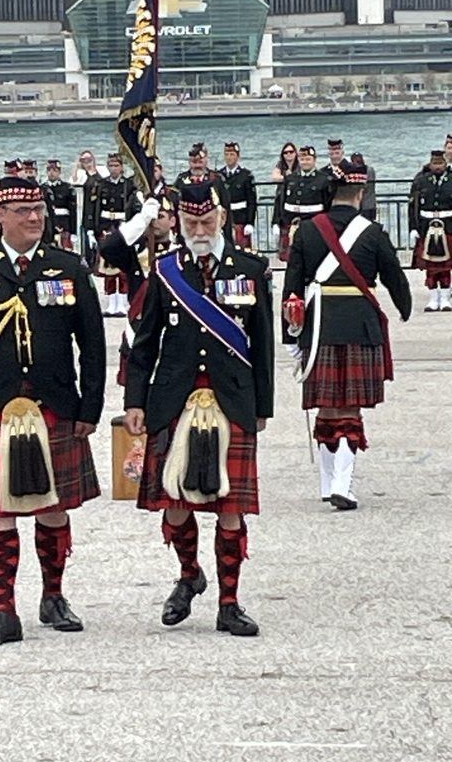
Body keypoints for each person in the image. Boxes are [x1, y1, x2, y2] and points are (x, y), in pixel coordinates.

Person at [0, 176, 106, 648]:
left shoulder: (68, 268)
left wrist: (89, 408)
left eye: (39, 209)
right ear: (0, 216)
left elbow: (92, 346)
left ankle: (53, 597)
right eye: (23, 211)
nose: (35, 217)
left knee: (53, 509)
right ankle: (3, 611)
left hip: (55, 402)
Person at [124, 180, 274, 636]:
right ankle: (189, 574)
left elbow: (263, 344)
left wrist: (262, 405)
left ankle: (229, 603)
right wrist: (135, 400)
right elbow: (144, 343)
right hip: (173, 401)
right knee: (175, 502)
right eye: (191, 223)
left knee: (231, 507)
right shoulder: (166, 270)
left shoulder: (250, 268)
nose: (200, 230)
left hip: (231, 400)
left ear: (222, 218)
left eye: (207, 221)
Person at [283, 161, 411, 510]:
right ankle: (341, 483)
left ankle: (328, 482)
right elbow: (395, 278)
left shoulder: (307, 232)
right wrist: (404, 306)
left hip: (318, 324)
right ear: (360, 193)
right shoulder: (372, 232)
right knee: (349, 407)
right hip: (359, 324)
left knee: (326, 406)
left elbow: (292, 287)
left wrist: (291, 335)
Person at [98, 190, 178, 385]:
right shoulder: (135, 254)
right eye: (152, 217)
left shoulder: (181, 253)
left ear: (173, 221)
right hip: (139, 328)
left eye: (159, 217)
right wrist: (141, 220)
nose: (154, 222)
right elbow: (108, 248)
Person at [91, 153, 136, 316]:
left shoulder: (128, 185)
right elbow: (94, 207)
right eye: (111, 165)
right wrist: (93, 229)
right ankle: (111, 302)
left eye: (116, 165)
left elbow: (132, 207)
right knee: (108, 266)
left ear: (122, 167)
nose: (113, 168)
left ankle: (123, 302)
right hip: (106, 226)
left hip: (122, 226)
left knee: (123, 267)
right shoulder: (101, 184)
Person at [408, 149, 452, 312]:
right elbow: (413, 206)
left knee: (446, 265)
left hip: (448, 226)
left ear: (445, 164)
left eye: (440, 163)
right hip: (426, 227)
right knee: (431, 266)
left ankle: (446, 298)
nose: (438, 167)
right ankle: (433, 298)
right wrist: (413, 227)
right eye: (435, 163)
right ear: (430, 164)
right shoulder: (421, 180)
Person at [272, 146, 332, 262]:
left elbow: (327, 206)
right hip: (290, 225)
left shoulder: (323, 180)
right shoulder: (290, 179)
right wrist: (276, 222)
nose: (305, 162)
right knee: (291, 260)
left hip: (313, 226)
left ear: (314, 160)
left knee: (313, 258)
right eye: (302, 159)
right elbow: (280, 202)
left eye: (308, 159)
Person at [217, 141, 257, 248]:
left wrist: (250, 222)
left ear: (238, 156)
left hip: (241, 219)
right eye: (226, 154)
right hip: (224, 221)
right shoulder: (218, 175)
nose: (229, 157)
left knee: (243, 254)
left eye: (232, 154)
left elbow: (251, 201)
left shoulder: (246, 175)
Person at [70, 150, 107, 259]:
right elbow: (74, 182)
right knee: (85, 241)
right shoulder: (81, 175)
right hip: (85, 210)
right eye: (84, 160)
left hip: (99, 209)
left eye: (89, 160)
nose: (87, 163)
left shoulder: (102, 171)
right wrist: (76, 166)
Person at [42, 159, 77, 249]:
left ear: (60, 172)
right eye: (49, 170)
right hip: (47, 225)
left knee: (66, 251)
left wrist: (73, 232)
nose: (51, 173)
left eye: (55, 170)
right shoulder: (42, 188)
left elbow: (73, 212)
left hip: (64, 224)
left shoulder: (67, 188)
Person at [351, 152, 377, 221]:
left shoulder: (369, 170)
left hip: (368, 205)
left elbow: (367, 186)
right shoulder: (367, 170)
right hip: (363, 205)